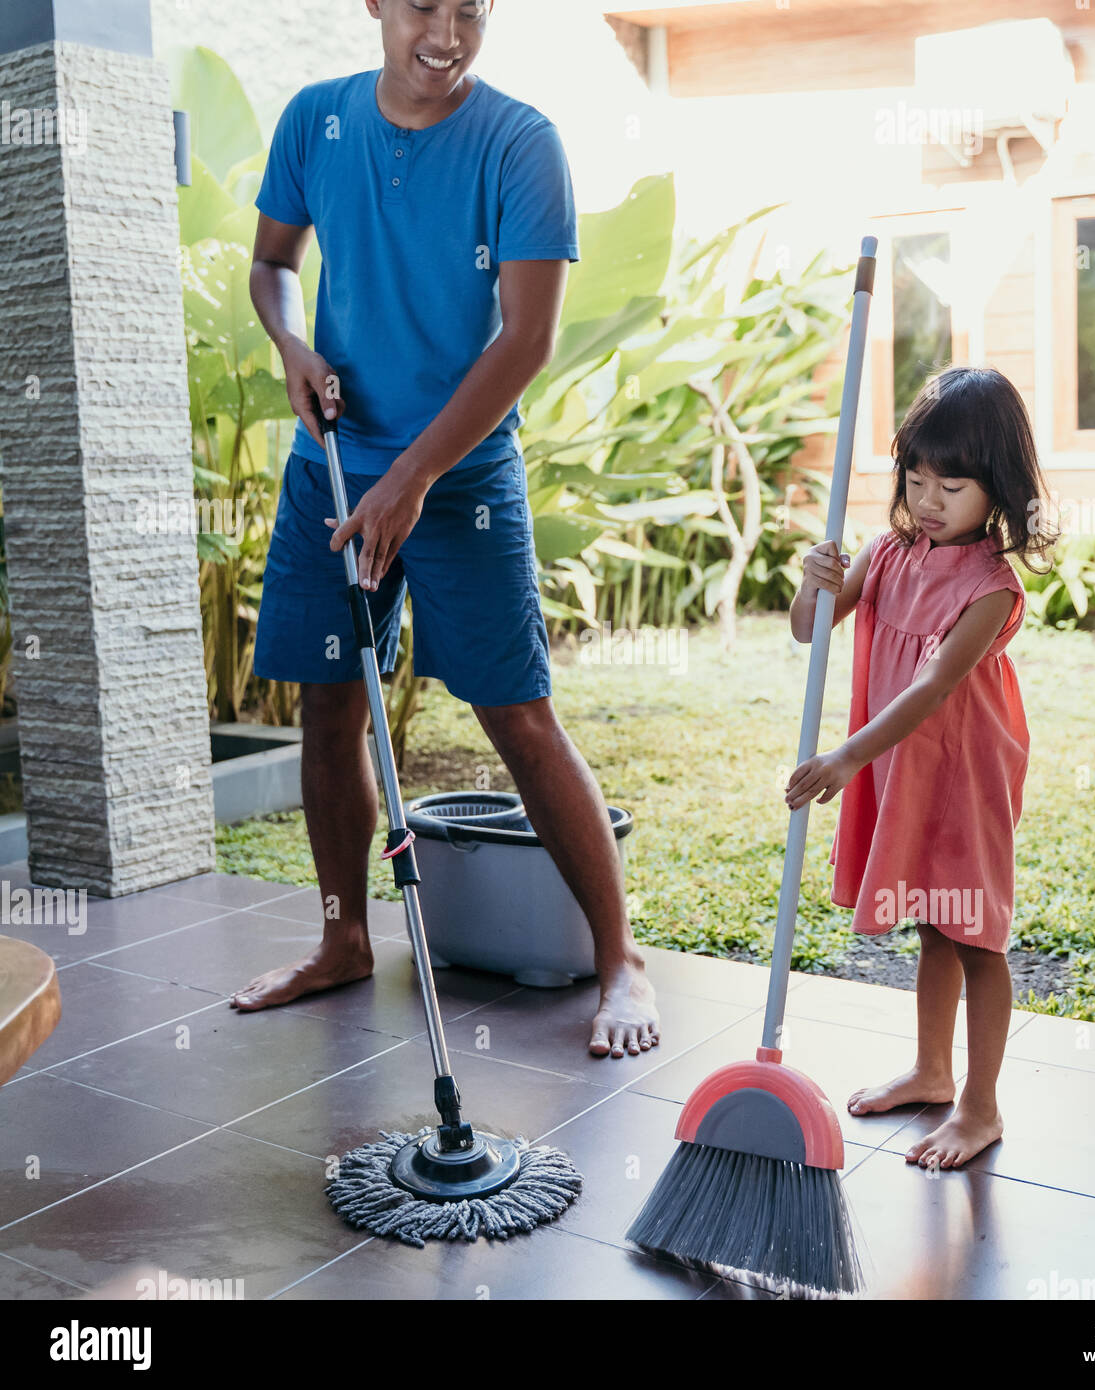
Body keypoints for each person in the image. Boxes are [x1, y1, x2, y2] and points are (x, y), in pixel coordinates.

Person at [235, 0, 659, 1060]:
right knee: (328, 705)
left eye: (470, 9)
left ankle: (620, 961)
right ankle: (341, 938)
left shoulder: (519, 143)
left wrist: (415, 476)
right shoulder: (315, 122)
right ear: (374, 4)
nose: (447, 31)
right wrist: (291, 343)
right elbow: (272, 262)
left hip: (462, 479)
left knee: (517, 715)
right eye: (422, 3)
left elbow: (525, 339)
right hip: (333, 469)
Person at [785, 366, 1057, 1167]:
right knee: (933, 923)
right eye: (917, 477)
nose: (930, 498)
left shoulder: (992, 590)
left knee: (975, 934)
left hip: (963, 775)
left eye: (954, 483)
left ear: (997, 488)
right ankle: (933, 1071)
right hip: (901, 765)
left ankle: (981, 1107)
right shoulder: (887, 553)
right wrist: (814, 583)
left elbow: (936, 686)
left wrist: (847, 755)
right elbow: (812, 632)